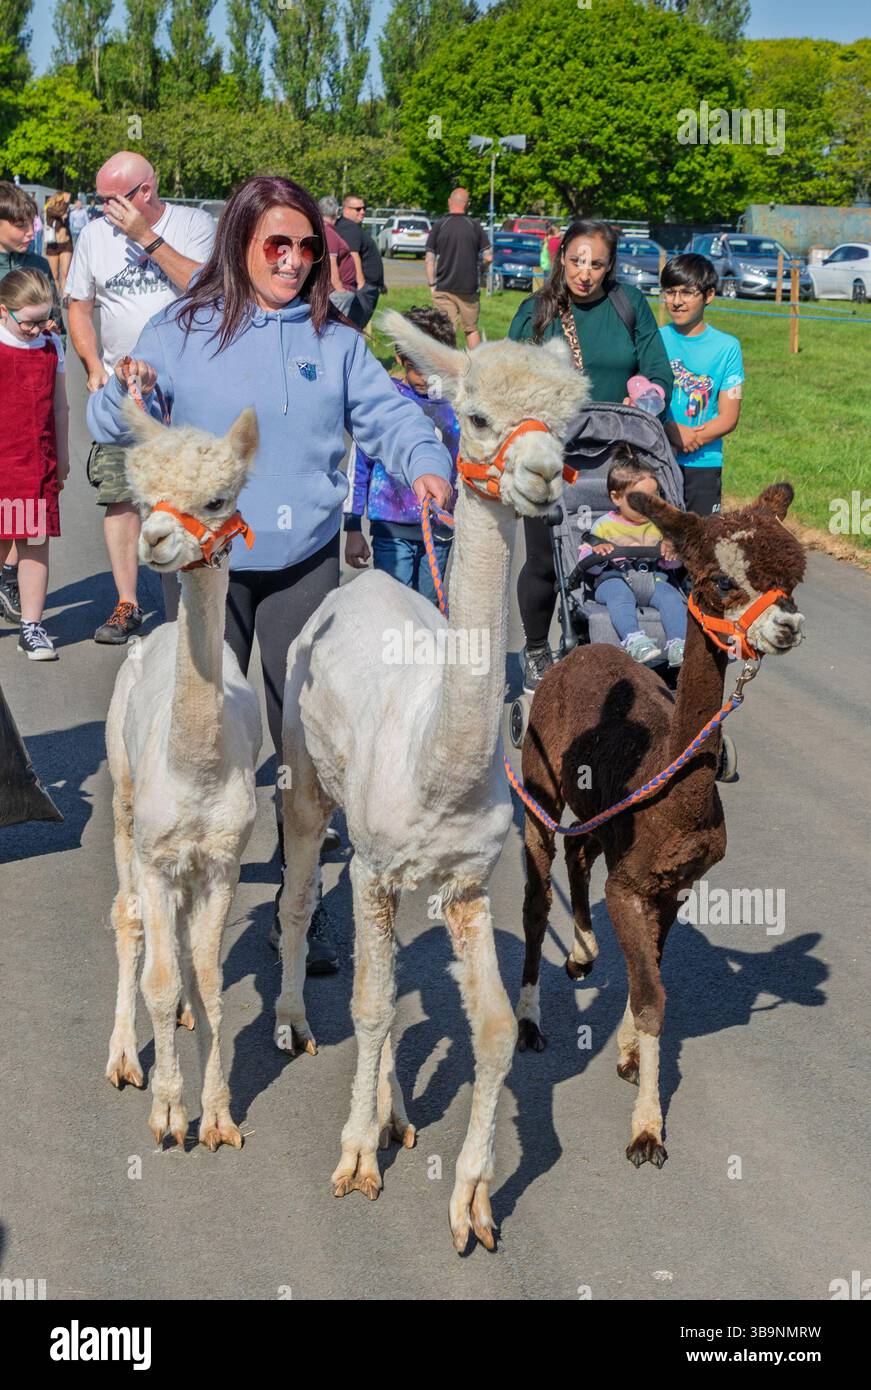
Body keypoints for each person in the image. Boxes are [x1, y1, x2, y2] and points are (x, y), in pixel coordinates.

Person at [86, 174, 454, 973]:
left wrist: (425, 461)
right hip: (204, 565)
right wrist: (126, 390)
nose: (291, 261)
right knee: (198, 740)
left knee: (305, 752)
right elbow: (114, 417)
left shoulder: (337, 341)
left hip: (302, 565)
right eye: (274, 245)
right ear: (241, 245)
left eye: (304, 247)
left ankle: (303, 900)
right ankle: (178, 896)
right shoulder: (181, 327)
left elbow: (390, 416)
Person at [507, 217, 673, 692]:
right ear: (562, 257)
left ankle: (595, 642)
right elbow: (511, 377)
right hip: (552, 453)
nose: (584, 272)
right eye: (577, 260)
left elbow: (658, 369)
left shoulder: (628, 304)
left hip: (618, 456)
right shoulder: (536, 311)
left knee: (613, 556)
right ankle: (537, 649)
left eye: (596, 264)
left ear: (610, 267)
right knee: (546, 559)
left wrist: (645, 399)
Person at [65, 150, 215, 645]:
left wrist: (144, 238)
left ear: (144, 192)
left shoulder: (192, 224)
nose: (101, 208)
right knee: (121, 497)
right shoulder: (92, 235)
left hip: (184, 389)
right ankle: (128, 602)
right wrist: (92, 369)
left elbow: (207, 288)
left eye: (111, 199)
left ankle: (188, 605)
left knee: (182, 497)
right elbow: (80, 306)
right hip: (120, 391)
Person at [345, 305, 460, 602]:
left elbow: (464, 466)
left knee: (429, 605)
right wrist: (353, 526)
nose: (424, 377)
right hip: (391, 528)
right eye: (416, 366)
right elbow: (360, 466)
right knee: (394, 605)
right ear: (400, 358)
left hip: (439, 529)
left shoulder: (458, 408)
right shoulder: (385, 403)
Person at [0, 181, 64, 626]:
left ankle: (12, 576)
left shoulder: (38, 263)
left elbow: (49, 316)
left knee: (24, 511)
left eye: (31, 222)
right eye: (19, 224)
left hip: (30, 390)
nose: (29, 230)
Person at [577, 446, 685, 668]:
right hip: (613, 579)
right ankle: (633, 639)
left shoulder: (658, 526)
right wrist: (597, 554)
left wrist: (671, 551)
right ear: (616, 498)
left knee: (672, 597)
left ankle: (679, 644)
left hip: (653, 579)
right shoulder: (604, 526)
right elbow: (585, 563)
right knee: (619, 596)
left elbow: (672, 564)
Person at [659, 253, 744, 517]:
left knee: (702, 548)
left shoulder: (728, 347)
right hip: (659, 459)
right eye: (670, 292)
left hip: (704, 464)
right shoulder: (654, 340)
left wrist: (689, 437)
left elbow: (729, 417)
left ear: (708, 295)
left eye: (686, 292)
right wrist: (669, 430)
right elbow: (641, 401)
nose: (676, 301)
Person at [425, 188, 491, 349]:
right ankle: (477, 367)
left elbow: (429, 260)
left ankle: (446, 369)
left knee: (446, 330)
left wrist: (432, 285)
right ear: (467, 204)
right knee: (471, 329)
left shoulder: (440, 225)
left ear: (449, 201)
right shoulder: (475, 226)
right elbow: (488, 256)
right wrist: (481, 269)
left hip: (444, 287)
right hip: (469, 288)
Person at [334, 194, 385, 327]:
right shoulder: (349, 227)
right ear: (346, 209)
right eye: (358, 209)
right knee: (353, 329)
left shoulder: (350, 226)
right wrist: (361, 285)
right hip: (363, 289)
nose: (362, 212)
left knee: (355, 328)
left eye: (364, 208)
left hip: (368, 287)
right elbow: (353, 254)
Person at [318, 194, 362, 325]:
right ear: (337, 212)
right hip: (337, 293)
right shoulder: (328, 232)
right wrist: (339, 289)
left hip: (336, 292)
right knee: (335, 329)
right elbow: (331, 264)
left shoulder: (326, 231)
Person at [43, 190, 73, 298]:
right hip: (53, 245)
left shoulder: (67, 208)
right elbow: (59, 213)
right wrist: (66, 202)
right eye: (63, 199)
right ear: (58, 198)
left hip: (66, 244)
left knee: (65, 273)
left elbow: (65, 215)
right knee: (54, 274)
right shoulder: (49, 209)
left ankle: (64, 297)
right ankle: (56, 297)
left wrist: (66, 203)